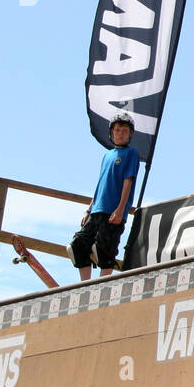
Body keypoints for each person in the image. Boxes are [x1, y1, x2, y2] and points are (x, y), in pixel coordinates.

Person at [71, 113, 140, 280]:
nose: (120, 134)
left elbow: (128, 181)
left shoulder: (131, 153)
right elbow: (100, 184)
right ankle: (85, 284)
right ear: (112, 132)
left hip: (113, 210)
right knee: (78, 245)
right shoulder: (107, 155)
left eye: (124, 130)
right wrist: (89, 209)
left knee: (105, 249)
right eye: (117, 130)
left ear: (130, 134)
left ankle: (102, 285)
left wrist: (121, 209)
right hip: (96, 209)